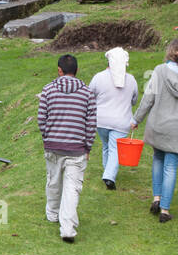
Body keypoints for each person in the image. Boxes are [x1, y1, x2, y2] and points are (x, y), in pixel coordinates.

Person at [131, 38, 178, 222]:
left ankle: (156, 198)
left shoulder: (159, 71)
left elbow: (148, 98)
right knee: (170, 167)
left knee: (157, 159)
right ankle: (164, 209)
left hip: (158, 125)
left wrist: (136, 119)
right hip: (177, 129)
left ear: (170, 52)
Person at [37, 53, 96, 244]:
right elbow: (91, 124)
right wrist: (88, 146)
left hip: (53, 146)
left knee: (53, 181)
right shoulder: (87, 93)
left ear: (59, 70)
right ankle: (67, 228)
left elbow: (41, 120)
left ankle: (53, 214)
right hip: (77, 148)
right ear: (77, 71)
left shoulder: (47, 91)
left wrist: (48, 137)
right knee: (72, 188)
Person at [88, 47, 138, 191]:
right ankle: (109, 176)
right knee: (115, 148)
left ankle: (107, 171)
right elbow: (134, 100)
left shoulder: (99, 77)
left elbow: (90, 96)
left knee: (107, 146)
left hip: (101, 121)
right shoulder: (131, 80)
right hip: (121, 121)